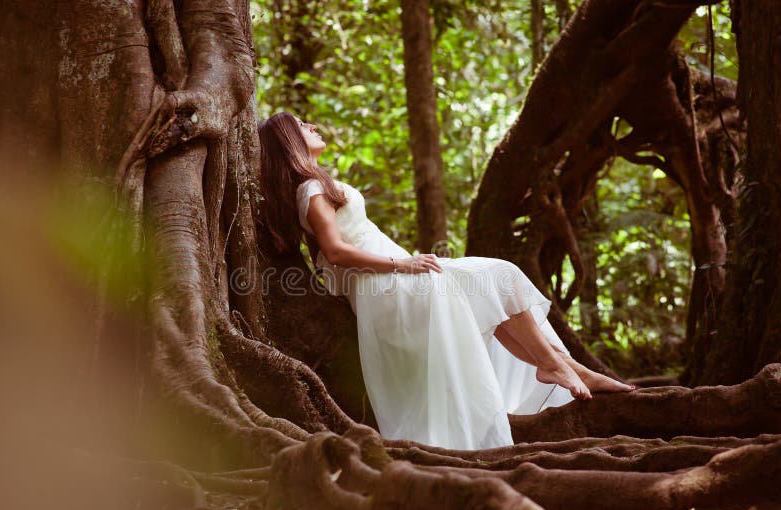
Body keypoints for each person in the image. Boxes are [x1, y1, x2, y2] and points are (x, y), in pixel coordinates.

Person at [258, 111, 634, 450]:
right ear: (290, 141)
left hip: (396, 276)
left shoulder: (316, 185)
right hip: (389, 286)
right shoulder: (311, 188)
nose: (311, 126)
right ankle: (557, 366)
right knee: (497, 281)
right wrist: (402, 265)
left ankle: (562, 366)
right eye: (301, 126)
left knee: (496, 286)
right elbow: (336, 252)